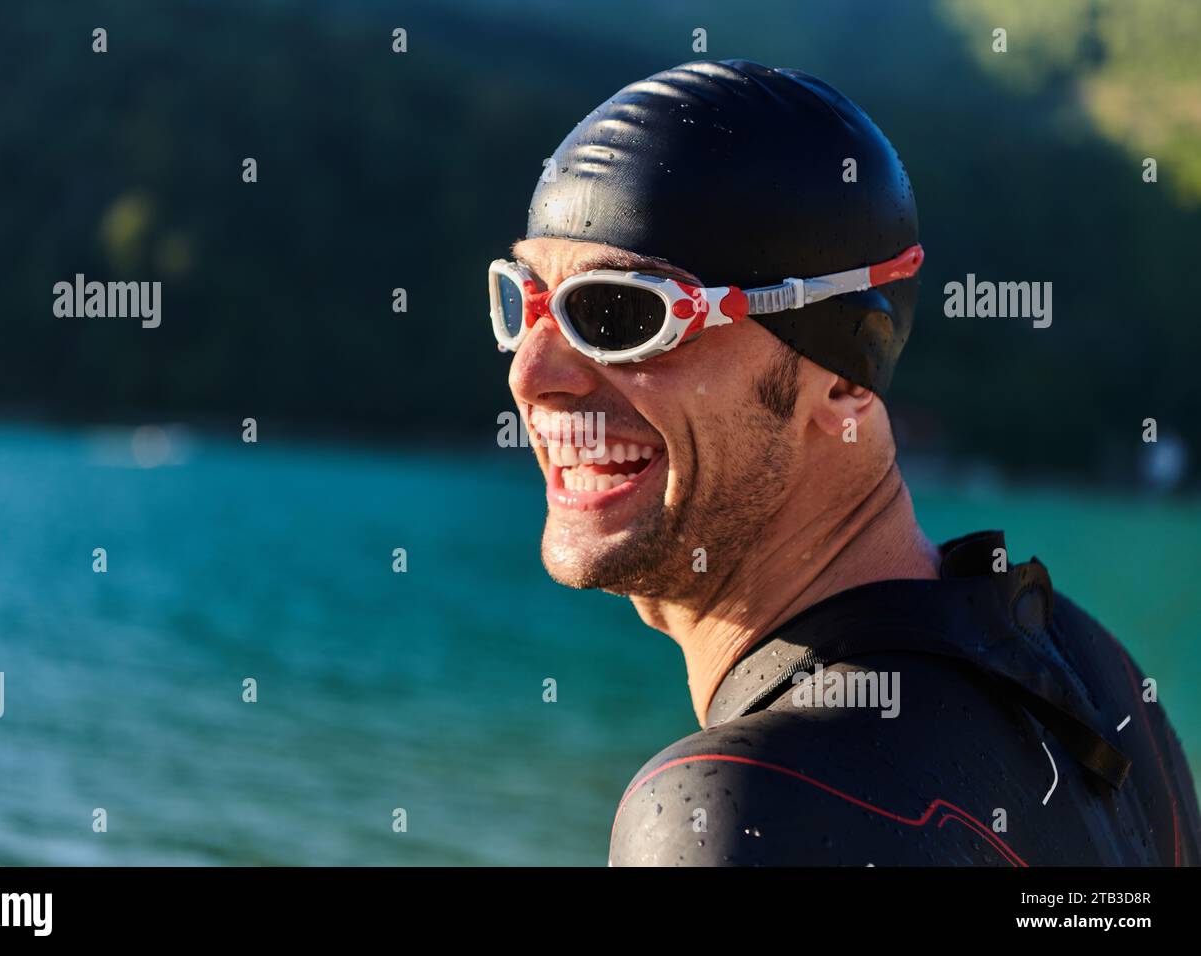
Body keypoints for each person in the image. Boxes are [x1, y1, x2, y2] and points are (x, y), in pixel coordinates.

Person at [489, 60, 1200, 865]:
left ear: (844, 378)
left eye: (618, 313)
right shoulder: (1091, 678)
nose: (530, 374)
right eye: (527, 298)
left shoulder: (725, 810)